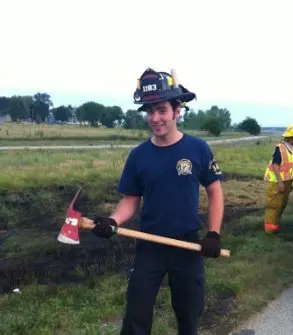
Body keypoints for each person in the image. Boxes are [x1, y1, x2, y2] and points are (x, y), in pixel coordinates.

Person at [89, 68, 225, 334]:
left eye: (161, 110)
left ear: (177, 110)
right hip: (150, 244)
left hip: (188, 245)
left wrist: (213, 234)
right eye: (149, 111)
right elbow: (131, 200)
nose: (155, 118)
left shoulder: (198, 149)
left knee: (189, 315)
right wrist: (113, 221)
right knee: (136, 316)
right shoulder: (139, 156)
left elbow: (215, 192)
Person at [263, 125, 293, 234]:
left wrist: (289, 183)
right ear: (292, 138)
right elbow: (275, 165)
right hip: (277, 182)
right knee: (274, 206)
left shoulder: (290, 149)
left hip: (286, 182)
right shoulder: (280, 148)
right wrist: (280, 182)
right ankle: (269, 231)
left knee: (282, 205)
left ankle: (275, 226)